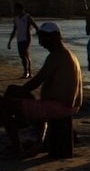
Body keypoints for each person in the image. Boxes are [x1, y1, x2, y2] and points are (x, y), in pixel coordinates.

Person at [1, 22, 83, 158]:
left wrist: (12, 96)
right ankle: (38, 137)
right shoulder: (68, 54)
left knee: (5, 105)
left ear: (55, 37)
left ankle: (17, 148)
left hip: (58, 107)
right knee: (13, 90)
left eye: (44, 39)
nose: (41, 43)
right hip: (67, 105)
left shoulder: (56, 56)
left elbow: (37, 81)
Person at [7, 2, 40, 78]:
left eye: (16, 9)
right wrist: (9, 42)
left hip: (27, 38)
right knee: (23, 56)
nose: (15, 11)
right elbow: (14, 30)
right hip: (19, 39)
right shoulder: (15, 19)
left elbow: (35, 26)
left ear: (20, 9)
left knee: (24, 54)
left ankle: (27, 73)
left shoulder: (27, 17)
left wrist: (40, 36)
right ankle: (28, 72)